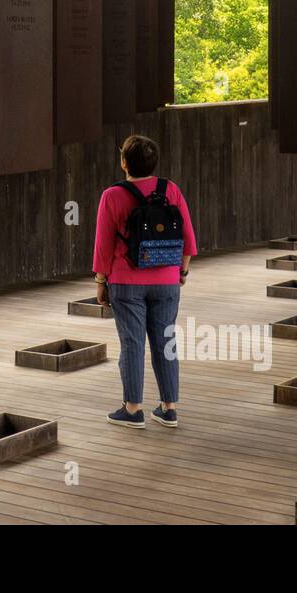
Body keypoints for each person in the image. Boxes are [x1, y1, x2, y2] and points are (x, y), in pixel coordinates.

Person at [92, 134, 196, 429]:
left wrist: (101, 281)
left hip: (126, 281)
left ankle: (133, 409)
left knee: (132, 343)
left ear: (124, 162)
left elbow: (103, 245)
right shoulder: (170, 190)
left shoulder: (112, 195)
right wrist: (181, 272)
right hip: (167, 280)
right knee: (166, 342)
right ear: (154, 162)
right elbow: (188, 238)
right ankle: (169, 407)